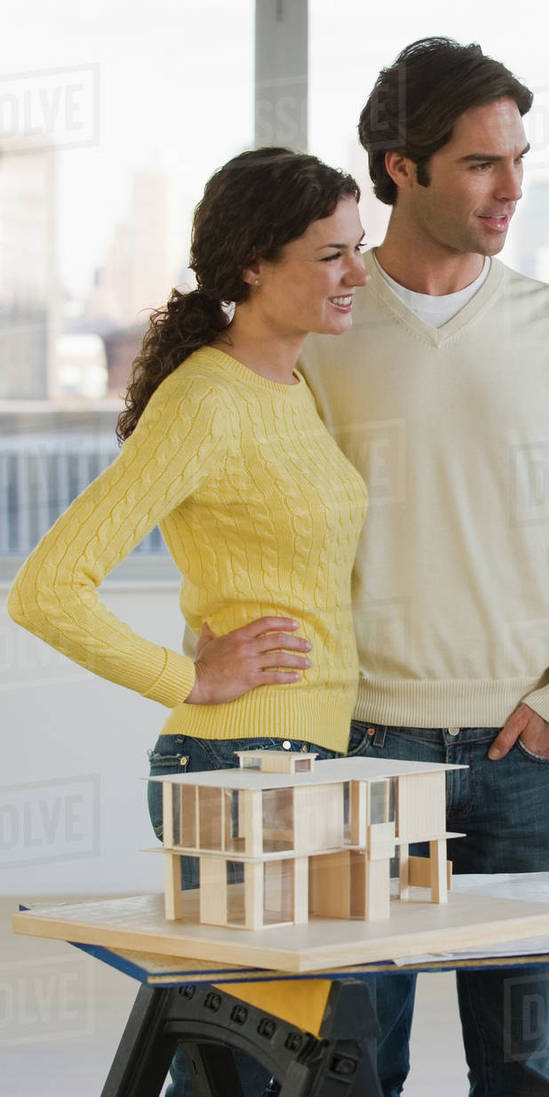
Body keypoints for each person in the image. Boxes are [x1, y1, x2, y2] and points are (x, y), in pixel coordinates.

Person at [299, 37, 549, 1097]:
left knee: (520, 1066)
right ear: (401, 167)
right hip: (359, 747)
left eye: (519, 159)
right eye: (483, 163)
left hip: (521, 754)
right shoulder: (322, 334)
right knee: (353, 1062)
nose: (512, 189)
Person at [8, 147, 371, 1096]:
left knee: (268, 1070)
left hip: (303, 763)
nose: (357, 276)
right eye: (332, 255)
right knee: (272, 1070)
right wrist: (192, 679)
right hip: (237, 770)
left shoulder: (293, 391)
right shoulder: (206, 400)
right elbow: (45, 587)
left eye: (357, 250)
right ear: (254, 263)